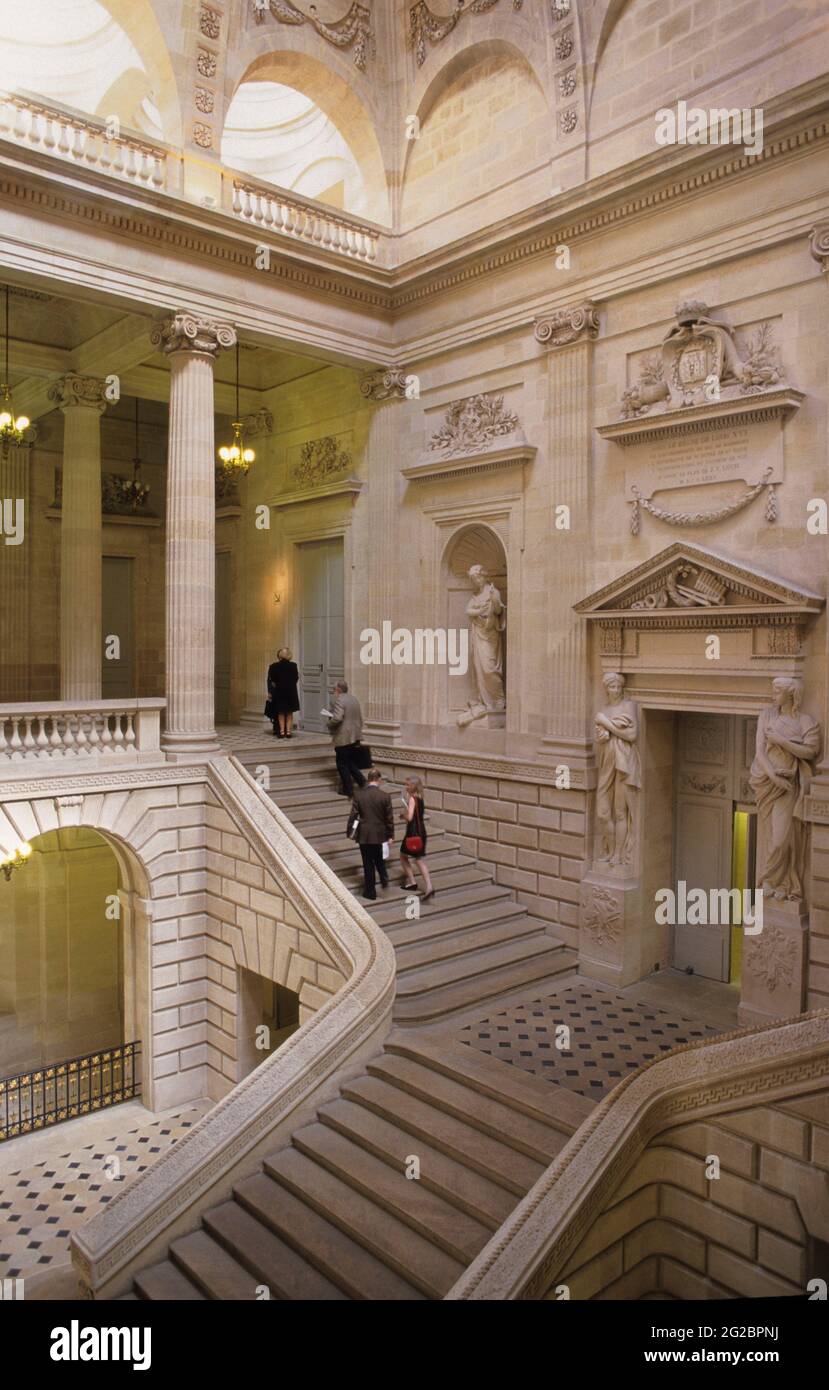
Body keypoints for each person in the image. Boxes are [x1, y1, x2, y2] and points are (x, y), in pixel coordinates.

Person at [349, 768, 394, 901]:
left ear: (368, 780)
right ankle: (383, 876)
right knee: (378, 857)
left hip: (364, 833)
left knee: (367, 863)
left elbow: (353, 815)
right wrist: (390, 835)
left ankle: (370, 892)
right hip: (379, 833)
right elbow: (389, 818)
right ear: (379, 780)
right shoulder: (385, 796)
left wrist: (351, 832)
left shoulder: (359, 795)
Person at [326, 680, 366, 797]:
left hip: (344, 737)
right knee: (349, 761)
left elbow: (337, 718)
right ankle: (362, 782)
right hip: (355, 735)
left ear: (338, 690)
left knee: (342, 764)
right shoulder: (354, 699)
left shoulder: (340, 700)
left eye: (334, 690)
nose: (334, 692)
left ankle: (348, 789)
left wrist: (329, 723)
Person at [400, 775, 434, 902]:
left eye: (408, 785)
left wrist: (403, 815)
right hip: (421, 832)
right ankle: (416, 883)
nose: (406, 786)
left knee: (410, 858)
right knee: (414, 858)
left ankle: (425, 886)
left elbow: (410, 817)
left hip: (413, 833)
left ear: (413, 786)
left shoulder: (413, 799)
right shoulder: (420, 798)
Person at [266, 647, 300, 738]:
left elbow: (272, 679)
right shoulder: (293, 665)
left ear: (280, 655)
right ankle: (288, 732)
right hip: (291, 692)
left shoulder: (274, 666)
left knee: (280, 712)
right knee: (289, 713)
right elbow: (296, 678)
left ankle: (281, 732)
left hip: (279, 691)